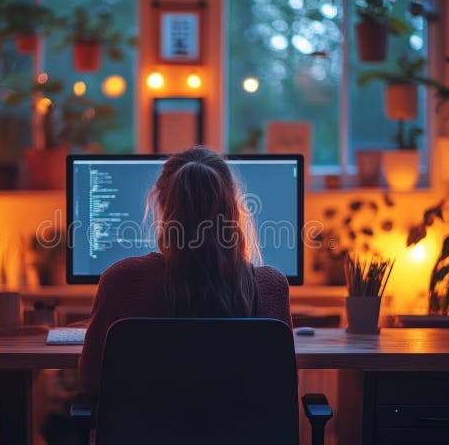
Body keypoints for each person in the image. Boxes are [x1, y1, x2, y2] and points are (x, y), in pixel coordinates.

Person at [78, 147, 292, 395]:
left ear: (161, 205)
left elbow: (91, 380)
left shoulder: (121, 281)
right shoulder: (271, 286)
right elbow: (283, 385)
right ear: (233, 208)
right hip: (241, 434)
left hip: (147, 434)